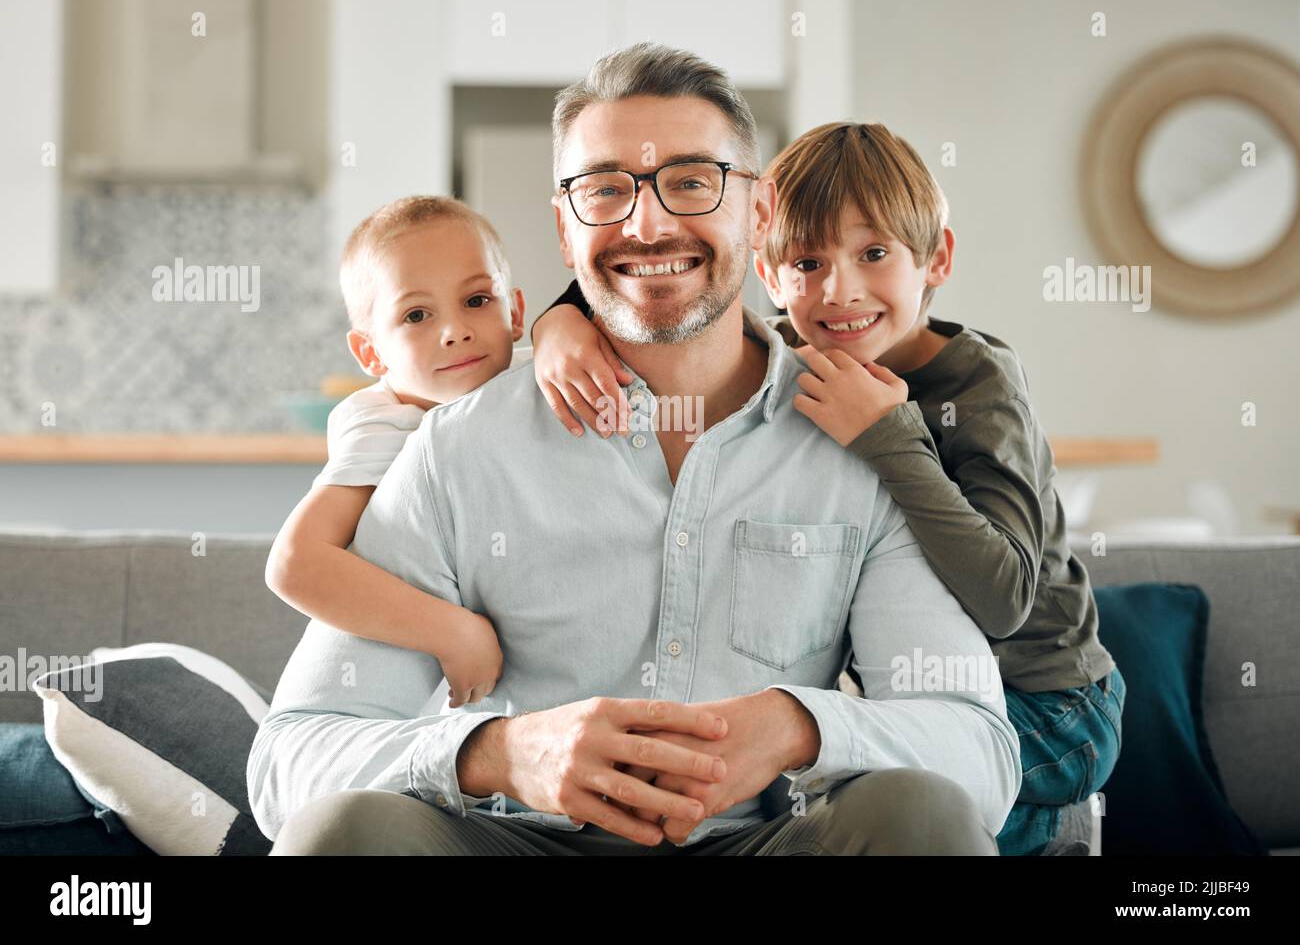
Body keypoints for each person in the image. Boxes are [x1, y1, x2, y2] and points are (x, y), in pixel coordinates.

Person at [248, 42, 1019, 856]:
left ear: (758, 215)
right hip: (519, 841)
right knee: (345, 832)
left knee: (921, 819)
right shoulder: (458, 450)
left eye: (692, 182)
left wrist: (801, 726)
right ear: (563, 226)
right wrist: (497, 753)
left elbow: (979, 754)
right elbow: (288, 763)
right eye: (605, 190)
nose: (647, 225)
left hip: (758, 844)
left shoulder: (862, 441)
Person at [532, 120, 1123, 855]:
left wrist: (889, 437)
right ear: (768, 274)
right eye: (807, 262)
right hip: (893, 688)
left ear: (935, 257)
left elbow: (1004, 599)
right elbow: (667, 306)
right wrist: (560, 321)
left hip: (1046, 704)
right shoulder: (790, 355)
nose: (838, 291)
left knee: (891, 797)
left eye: (873, 254)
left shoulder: (979, 386)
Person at [264, 196, 525, 709]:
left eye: (477, 301)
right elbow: (296, 564)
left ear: (514, 312)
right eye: (417, 314)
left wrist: (566, 325)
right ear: (370, 352)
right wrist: (454, 634)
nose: (456, 331)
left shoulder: (521, 381)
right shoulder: (388, 427)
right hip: (418, 697)